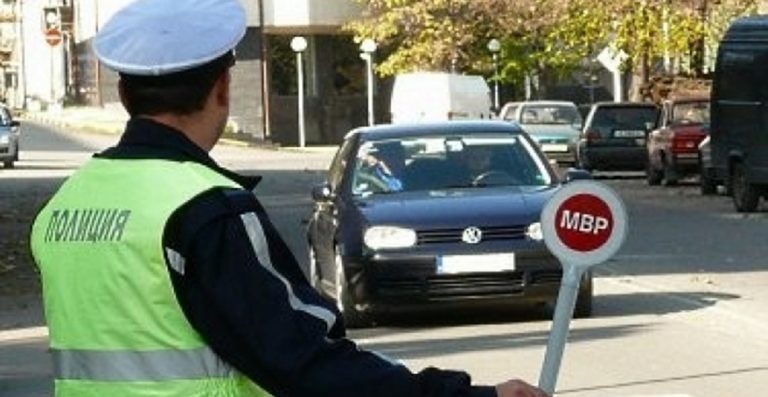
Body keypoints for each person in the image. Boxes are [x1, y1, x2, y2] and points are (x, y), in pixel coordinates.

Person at [29, 1, 549, 396]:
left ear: (124, 96)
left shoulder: (66, 205)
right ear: (223, 89)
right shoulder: (205, 208)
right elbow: (303, 360)